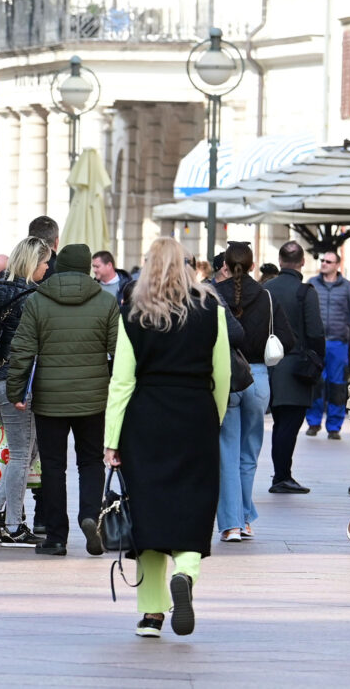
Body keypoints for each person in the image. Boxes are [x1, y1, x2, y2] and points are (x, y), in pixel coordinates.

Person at [104, 237, 230, 638]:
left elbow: (121, 381)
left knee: (149, 510)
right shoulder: (211, 309)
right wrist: (216, 417)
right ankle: (187, 573)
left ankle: (151, 614)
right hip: (195, 413)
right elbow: (222, 373)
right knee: (194, 501)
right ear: (187, 265)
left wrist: (112, 438)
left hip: (146, 418)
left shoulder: (133, 312)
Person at [3, 242, 118, 557]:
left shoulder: (39, 301)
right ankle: (90, 515)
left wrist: (16, 391)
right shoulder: (106, 302)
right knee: (91, 461)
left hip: (50, 399)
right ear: (86, 268)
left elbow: (22, 350)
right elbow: (119, 352)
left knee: (53, 466)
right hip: (94, 400)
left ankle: (56, 537)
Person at [0, 236, 52, 548]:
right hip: (14, 383)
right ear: (33, 263)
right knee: (22, 454)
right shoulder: (33, 297)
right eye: (44, 263)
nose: (47, 268)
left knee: (26, 451)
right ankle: (10, 523)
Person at [211, 242, 288, 541]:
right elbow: (287, 340)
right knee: (249, 453)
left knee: (226, 450)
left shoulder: (215, 296)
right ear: (253, 266)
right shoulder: (267, 297)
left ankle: (231, 524)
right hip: (258, 378)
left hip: (227, 377)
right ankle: (245, 519)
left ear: (225, 266)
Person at [263, 242, 323, 494]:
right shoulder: (305, 292)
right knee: (289, 423)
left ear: (279, 260)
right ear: (301, 262)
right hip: (296, 367)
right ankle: (282, 476)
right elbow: (316, 333)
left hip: (269, 366)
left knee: (280, 422)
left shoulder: (265, 289)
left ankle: (281, 474)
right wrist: (318, 362)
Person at [306, 249, 350, 439]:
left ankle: (334, 426)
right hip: (316, 343)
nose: (324, 263)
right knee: (315, 383)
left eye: (328, 261)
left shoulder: (346, 288)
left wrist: (349, 336)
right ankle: (313, 422)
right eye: (322, 260)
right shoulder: (312, 284)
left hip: (338, 344)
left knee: (337, 385)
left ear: (336, 265)